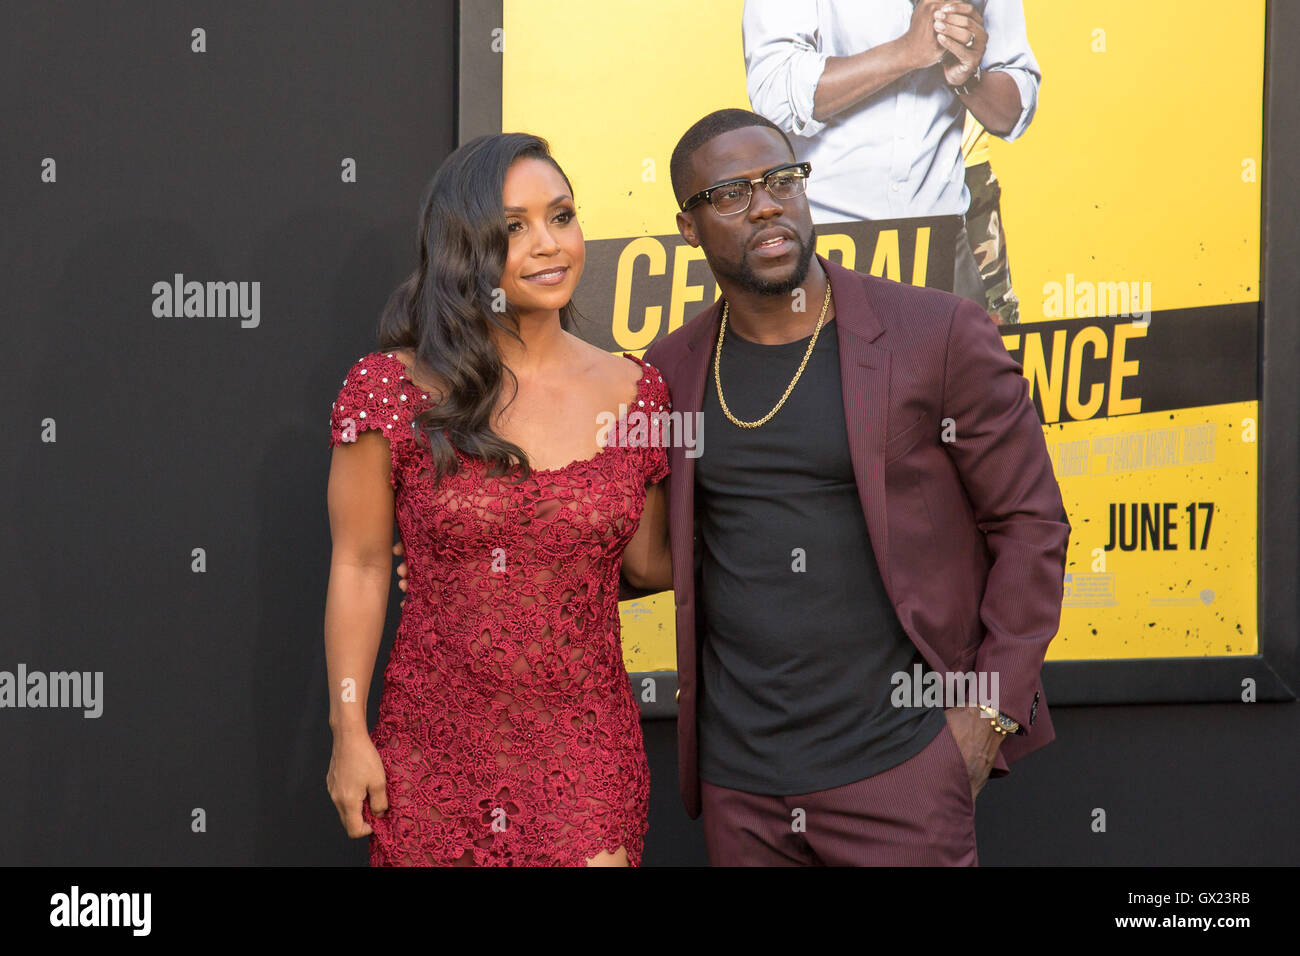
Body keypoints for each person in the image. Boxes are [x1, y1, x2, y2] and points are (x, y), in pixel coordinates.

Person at [643, 108, 1068, 865]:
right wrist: (476, 561)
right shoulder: (671, 368)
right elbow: (634, 545)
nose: (766, 204)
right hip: (741, 784)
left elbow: (1031, 524)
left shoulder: (935, 334)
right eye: (732, 194)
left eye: (781, 180)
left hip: (900, 767)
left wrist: (986, 716)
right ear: (688, 227)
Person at [323, 132, 673, 866]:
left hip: (586, 760)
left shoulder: (638, 392)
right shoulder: (389, 387)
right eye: (514, 227)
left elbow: (646, 566)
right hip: (429, 757)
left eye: (563, 216)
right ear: (465, 247)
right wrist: (349, 732)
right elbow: (358, 565)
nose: (549, 244)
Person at [742, 0, 1040, 305]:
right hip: (827, 241)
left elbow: (1013, 115)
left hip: (941, 240)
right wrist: (906, 52)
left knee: (965, 350)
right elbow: (774, 91)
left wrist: (968, 78)